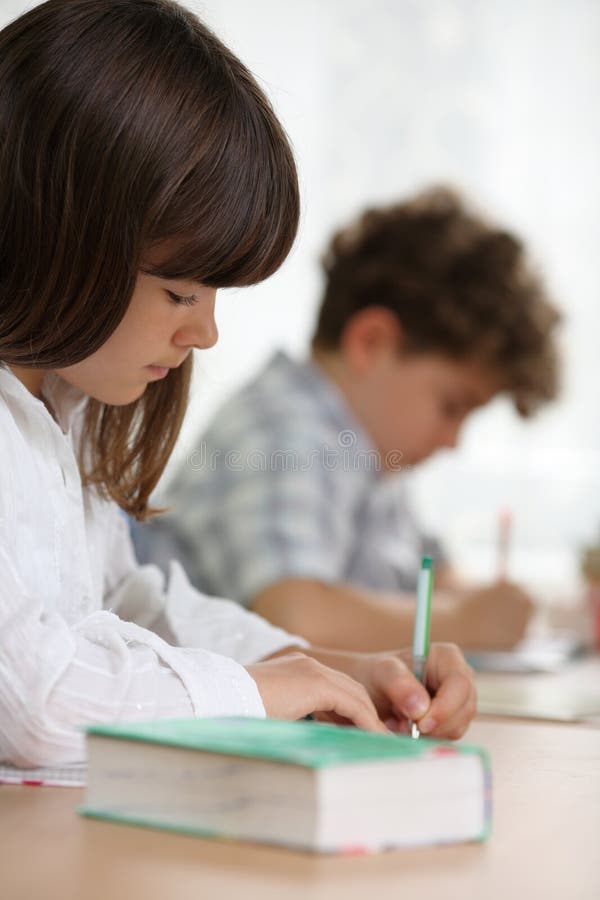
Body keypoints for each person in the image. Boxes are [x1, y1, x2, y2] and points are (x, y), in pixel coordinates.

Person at [0, 0, 476, 768]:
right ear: (59, 235)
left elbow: (127, 606)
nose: (205, 333)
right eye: (182, 293)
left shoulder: (67, 408)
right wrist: (252, 693)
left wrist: (315, 671)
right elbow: (32, 699)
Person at [136, 187, 561, 652]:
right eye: (452, 406)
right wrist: (462, 623)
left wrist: (485, 605)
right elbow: (296, 615)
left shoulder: (372, 457)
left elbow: (433, 581)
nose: (454, 440)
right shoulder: (288, 430)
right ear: (371, 343)